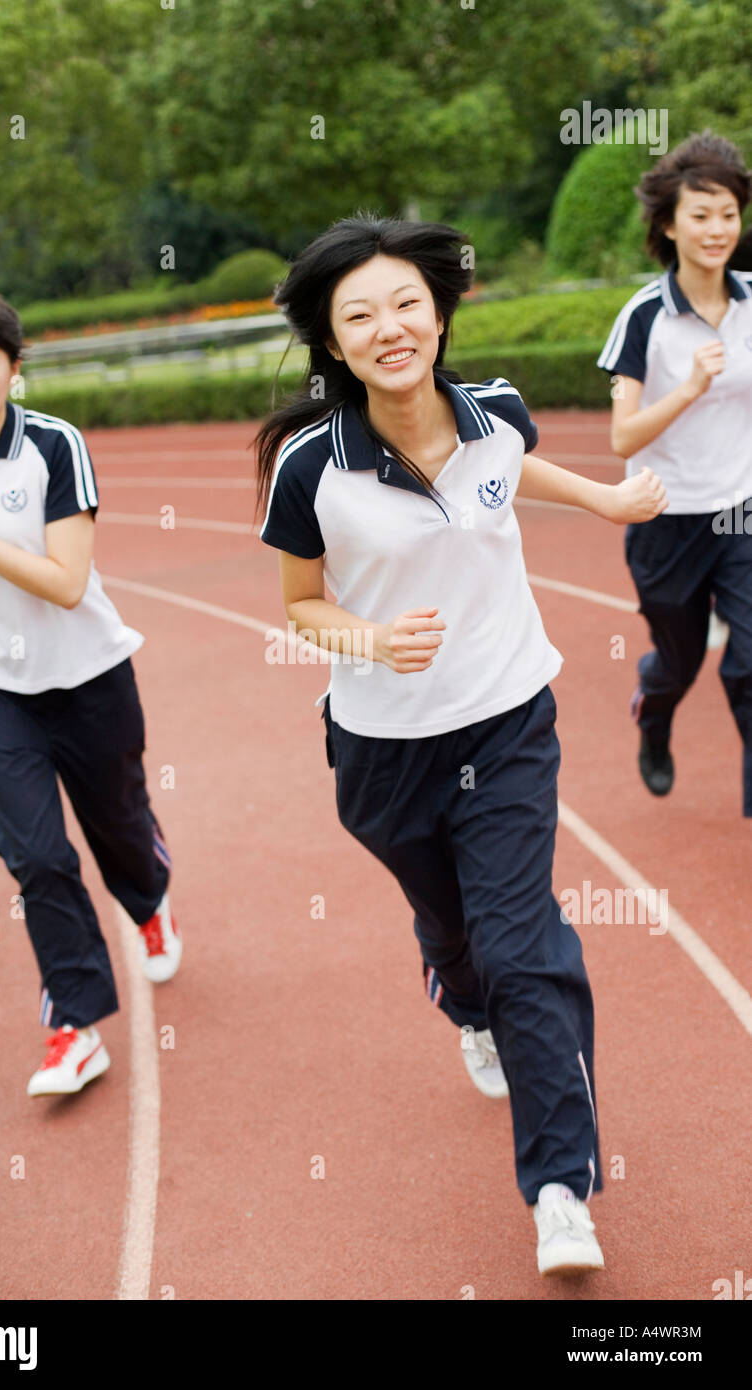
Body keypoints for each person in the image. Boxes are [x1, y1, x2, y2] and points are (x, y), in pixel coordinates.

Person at [255, 215, 666, 1275]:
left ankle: (559, 1187)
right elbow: (300, 605)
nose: (389, 327)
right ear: (332, 345)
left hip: (506, 718)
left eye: (405, 303)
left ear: (438, 311)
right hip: (383, 747)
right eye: (359, 316)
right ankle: (457, 994)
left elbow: (510, 471)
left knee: (521, 943)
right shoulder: (311, 467)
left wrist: (606, 496)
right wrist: (372, 640)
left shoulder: (493, 414)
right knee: (454, 936)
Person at [0, 279, 182, 1097]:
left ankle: (150, 900)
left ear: (15, 369)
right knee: (36, 853)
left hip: (87, 674)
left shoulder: (55, 447)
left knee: (118, 823)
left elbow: (63, 582)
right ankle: (72, 1027)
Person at [597, 131, 752, 810]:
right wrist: (688, 388)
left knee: (751, 664)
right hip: (664, 518)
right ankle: (654, 716)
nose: (717, 229)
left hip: (742, 512)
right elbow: (620, 435)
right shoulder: (645, 317)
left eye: (728, 214)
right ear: (668, 223)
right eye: (701, 215)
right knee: (681, 662)